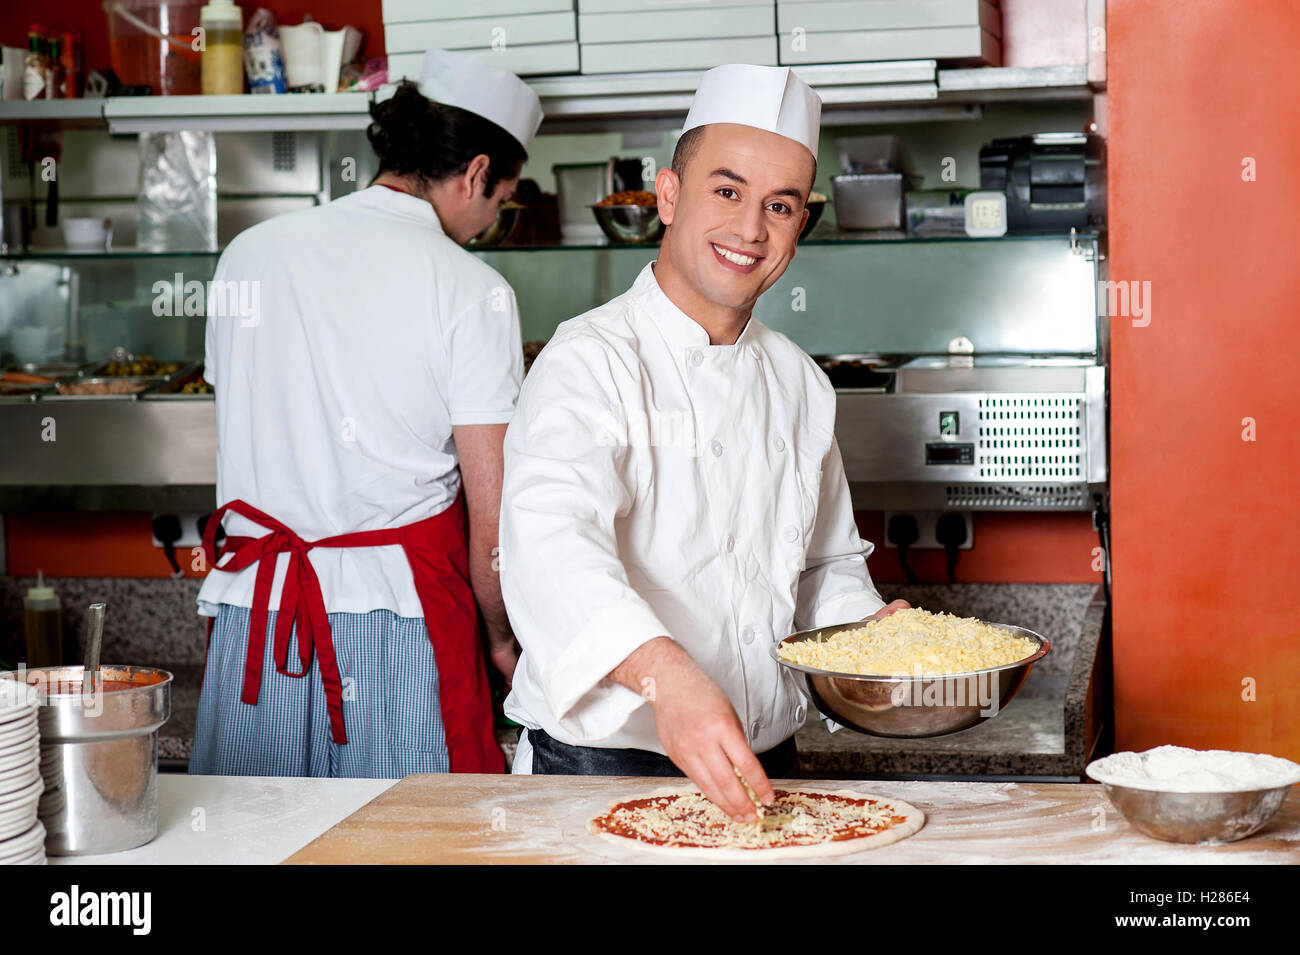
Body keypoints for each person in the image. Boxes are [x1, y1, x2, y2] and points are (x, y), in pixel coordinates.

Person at [499, 64, 908, 820]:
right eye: (728, 191)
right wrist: (666, 679)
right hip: (602, 766)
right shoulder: (588, 360)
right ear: (668, 195)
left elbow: (821, 566)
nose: (751, 229)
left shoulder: (799, 383)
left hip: (766, 762)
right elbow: (549, 550)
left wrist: (867, 637)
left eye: (779, 206)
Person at [190, 49, 543, 778]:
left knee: (253, 846)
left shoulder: (247, 255)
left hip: (255, 616)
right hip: (397, 624)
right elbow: (493, 517)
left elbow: (251, 420)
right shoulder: (472, 290)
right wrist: (503, 637)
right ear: (477, 173)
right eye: (500, 201)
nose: (487, 223)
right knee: (409, 848)